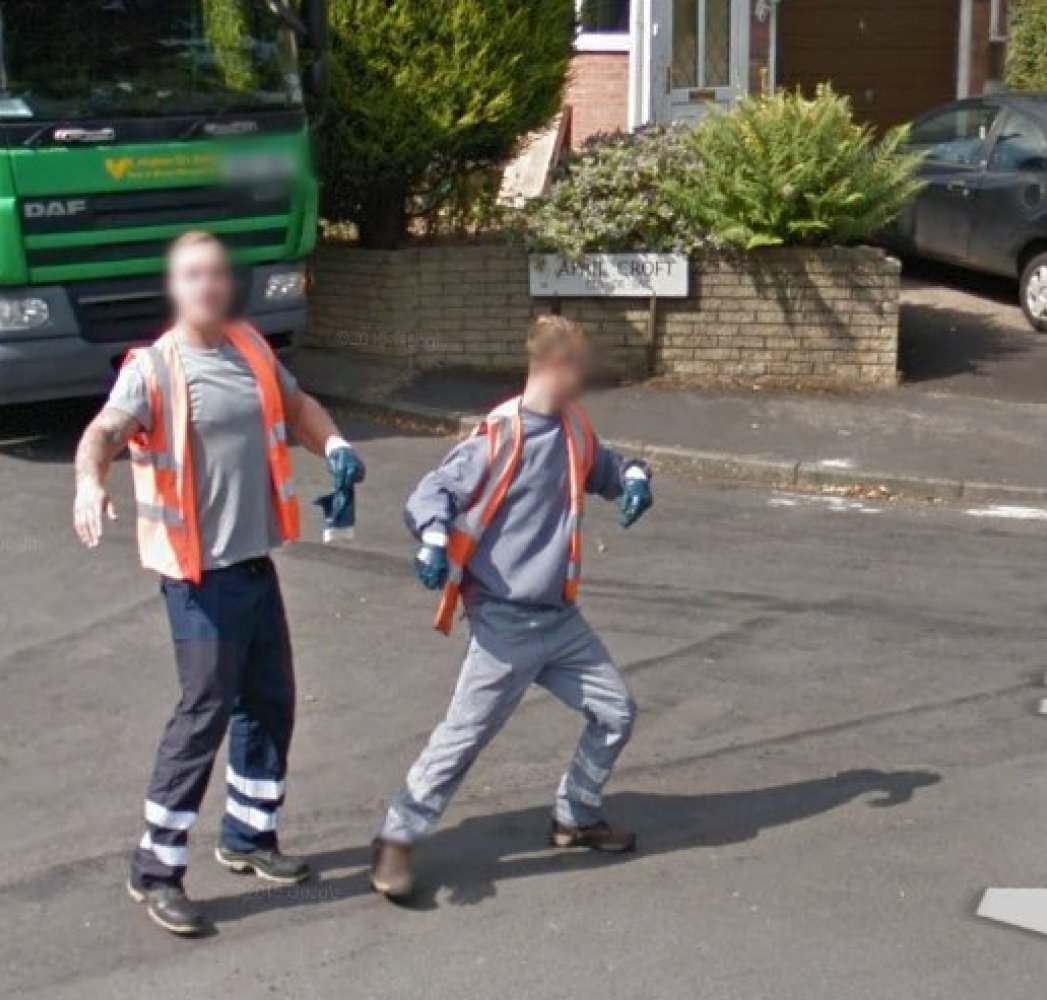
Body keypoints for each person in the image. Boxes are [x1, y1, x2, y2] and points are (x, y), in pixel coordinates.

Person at [73, 232, 365, 937]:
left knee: (270, 701)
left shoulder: (250, 348)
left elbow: (300, 408)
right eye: (193, 275)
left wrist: (336, 445)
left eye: (217, 275)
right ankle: (154, 868)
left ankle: (248, 835)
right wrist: (90, 481)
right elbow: (104, 430)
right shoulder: (155, 368)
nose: (208, 286)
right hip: (197, 576)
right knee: (202, 713)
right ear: (176, 288)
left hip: (255, 564)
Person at [368, 315, 654, 901]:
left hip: (560, 620)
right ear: (557, 368)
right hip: (505, 622)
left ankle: (575, 817)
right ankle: (396, 837)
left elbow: (606, 465)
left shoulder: (573, 427)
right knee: (464, 735)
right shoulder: (498, 436)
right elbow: (432, 493)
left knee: (616, 711)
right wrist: (431, 537)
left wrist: (632, 478)